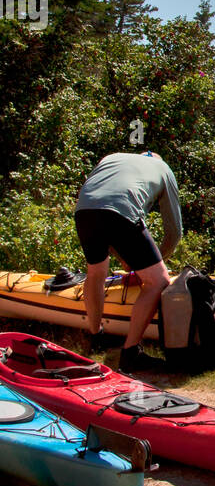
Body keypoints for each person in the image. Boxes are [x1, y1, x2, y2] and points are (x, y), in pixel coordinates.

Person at [74, 150, 182, 372]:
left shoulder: (112, 157)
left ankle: (96, 336)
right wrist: (155, 265)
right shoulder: (164, 170)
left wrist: (129, 260)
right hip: (121, 210)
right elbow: (173, 232)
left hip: (84, 210)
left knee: (95, 273)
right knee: (158, 281)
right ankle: (131, 353)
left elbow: (102, 209)